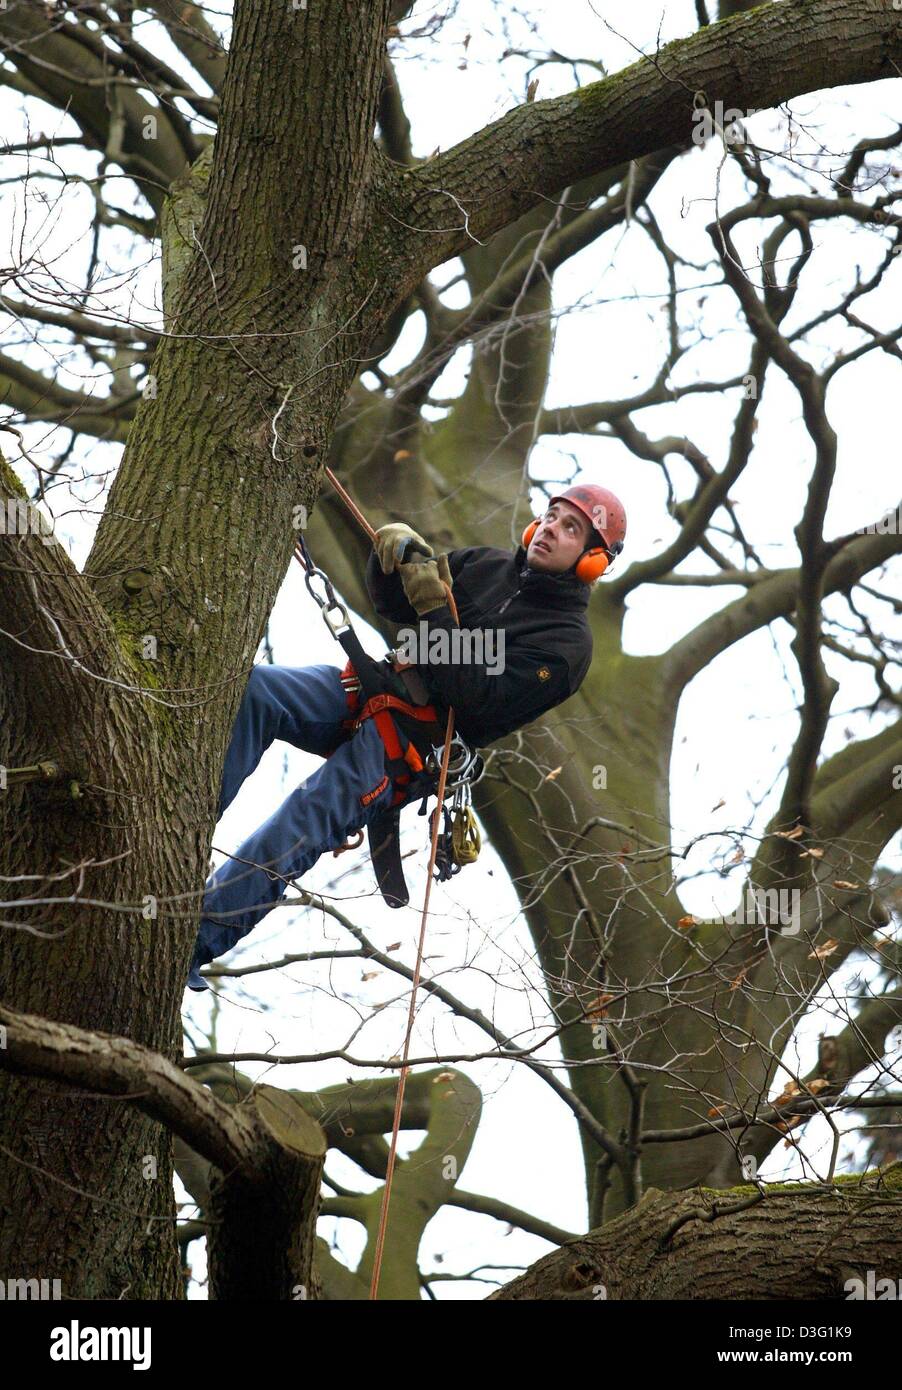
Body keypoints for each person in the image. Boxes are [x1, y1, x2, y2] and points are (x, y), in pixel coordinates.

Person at [186, 484, 627, 991]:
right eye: (550, 515)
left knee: (307, 813)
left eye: (570, 527)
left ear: (595, 559)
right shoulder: (486, 564)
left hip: (414, 744)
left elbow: (474, 697)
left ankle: (196, 938)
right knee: (259, 691)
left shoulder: (565, 645)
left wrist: (436, 611)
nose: (550, 528)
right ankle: (183, 825)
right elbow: (395, 604)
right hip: (377, 684)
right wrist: (390, 560)